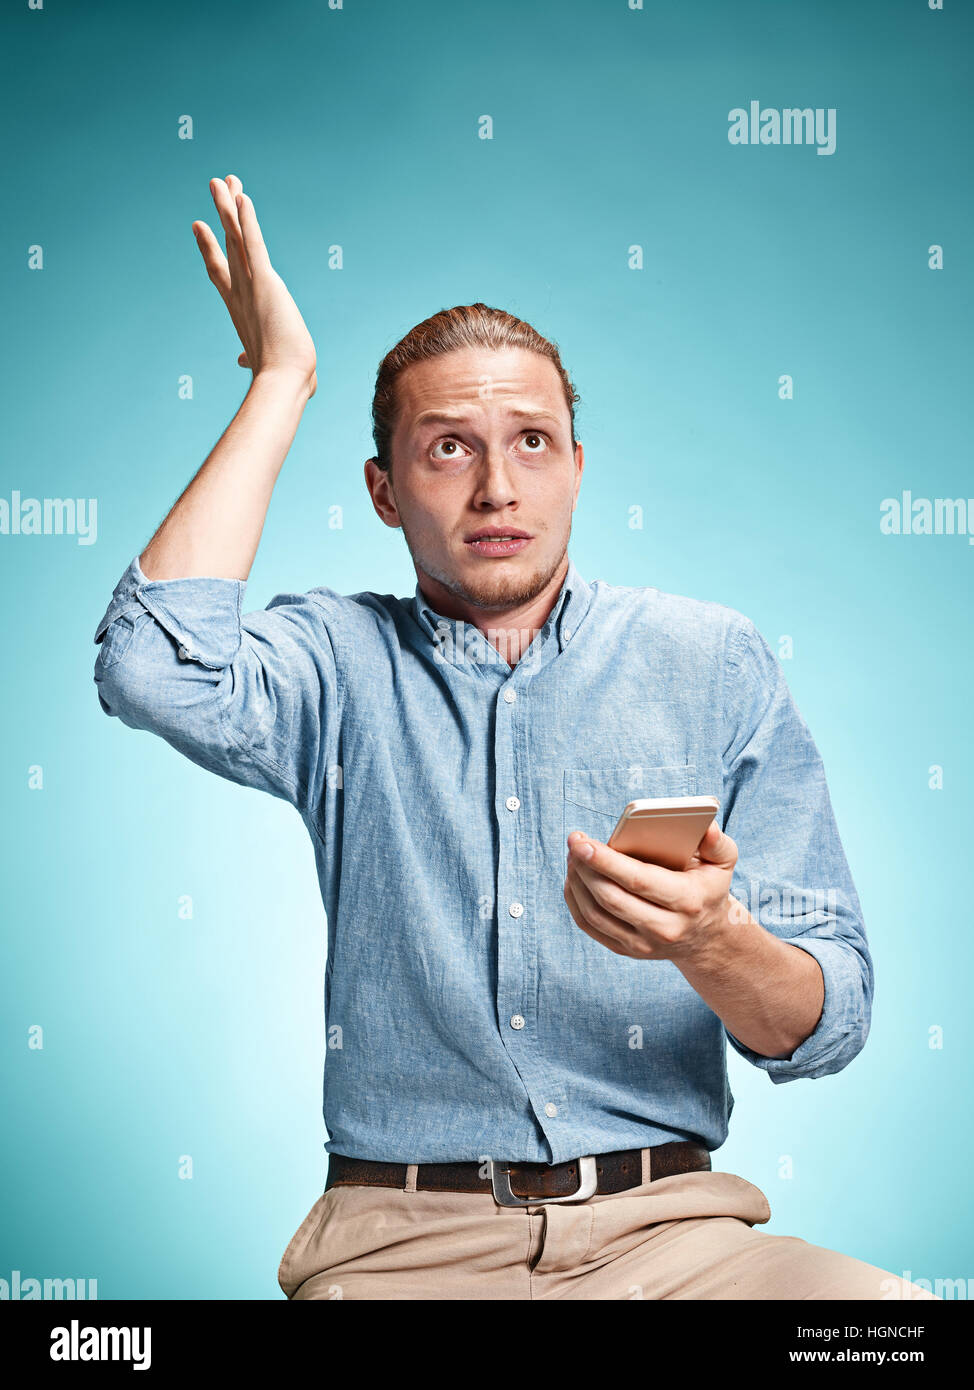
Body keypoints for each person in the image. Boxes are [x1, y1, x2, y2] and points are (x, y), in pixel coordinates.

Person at [92, 176, 935, 1302]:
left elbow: (828, 1023)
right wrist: (281, 384)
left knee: (882, 1326)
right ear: (383, 492)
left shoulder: (710, 657)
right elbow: (152, 666)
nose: (497, 485)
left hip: (671, 1238)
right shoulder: (336, 660)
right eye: (446, 449)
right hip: (399, 1249)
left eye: (532, 440)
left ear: (578, 467)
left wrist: (713, 941)